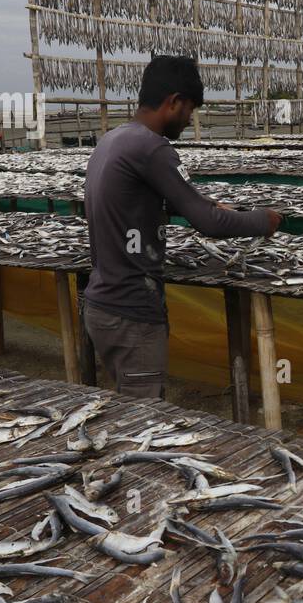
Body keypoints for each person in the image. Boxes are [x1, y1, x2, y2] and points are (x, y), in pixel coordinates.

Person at [82, 55, 282, 399]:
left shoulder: (114, 139)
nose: (190, 120)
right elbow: (207, 223)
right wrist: (264, 220)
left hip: (101, 305)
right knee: (142, 418)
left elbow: (166, 199)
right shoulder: (152, 147)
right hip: (131, 311)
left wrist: (214, 205)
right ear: (173, 102)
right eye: (190, 110)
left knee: (126, 402)